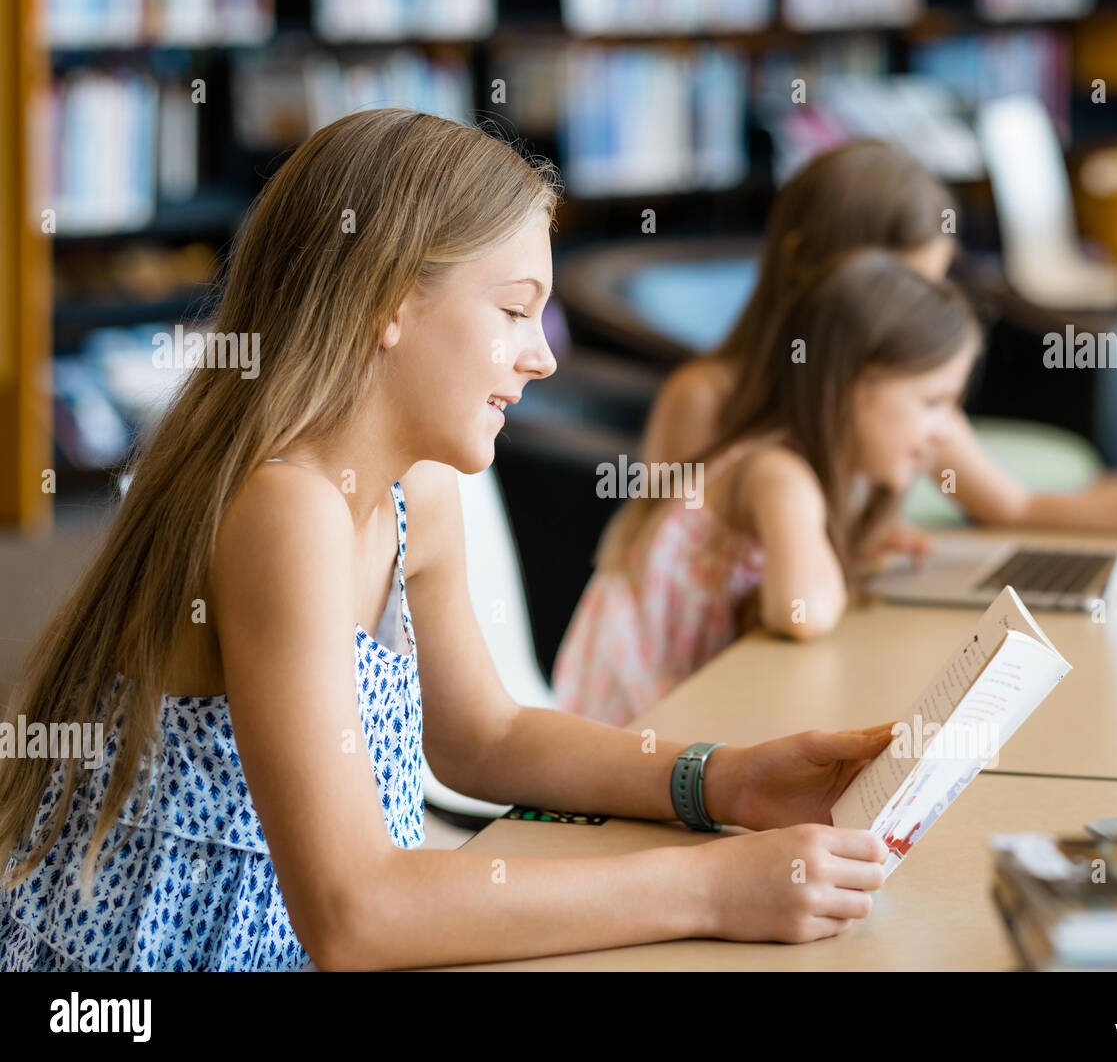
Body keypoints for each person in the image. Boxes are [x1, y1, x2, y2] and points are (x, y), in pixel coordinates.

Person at [0, 110, 898, 971]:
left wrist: (722, 780)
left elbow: (481, 734)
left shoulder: (415, 490)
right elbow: (354, 912)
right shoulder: (285, 509)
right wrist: (710, 889)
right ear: (390, 302)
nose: (542, 357)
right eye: (515, 311)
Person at [641, 138, 1117, 554]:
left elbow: (1016, 505)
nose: (913, 324)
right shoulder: (705, 400)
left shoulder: (903, 396)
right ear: (806, 261)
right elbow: (661, 579)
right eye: (898, 287)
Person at [554, 248, 980, 726]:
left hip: (689, 718)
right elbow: (802, 614)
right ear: (845, 389)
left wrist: (851, 551)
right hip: (633, 736)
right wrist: (827, 560)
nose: (945, 431)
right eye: (932, 403)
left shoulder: (815, 472)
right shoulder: (778, 474)